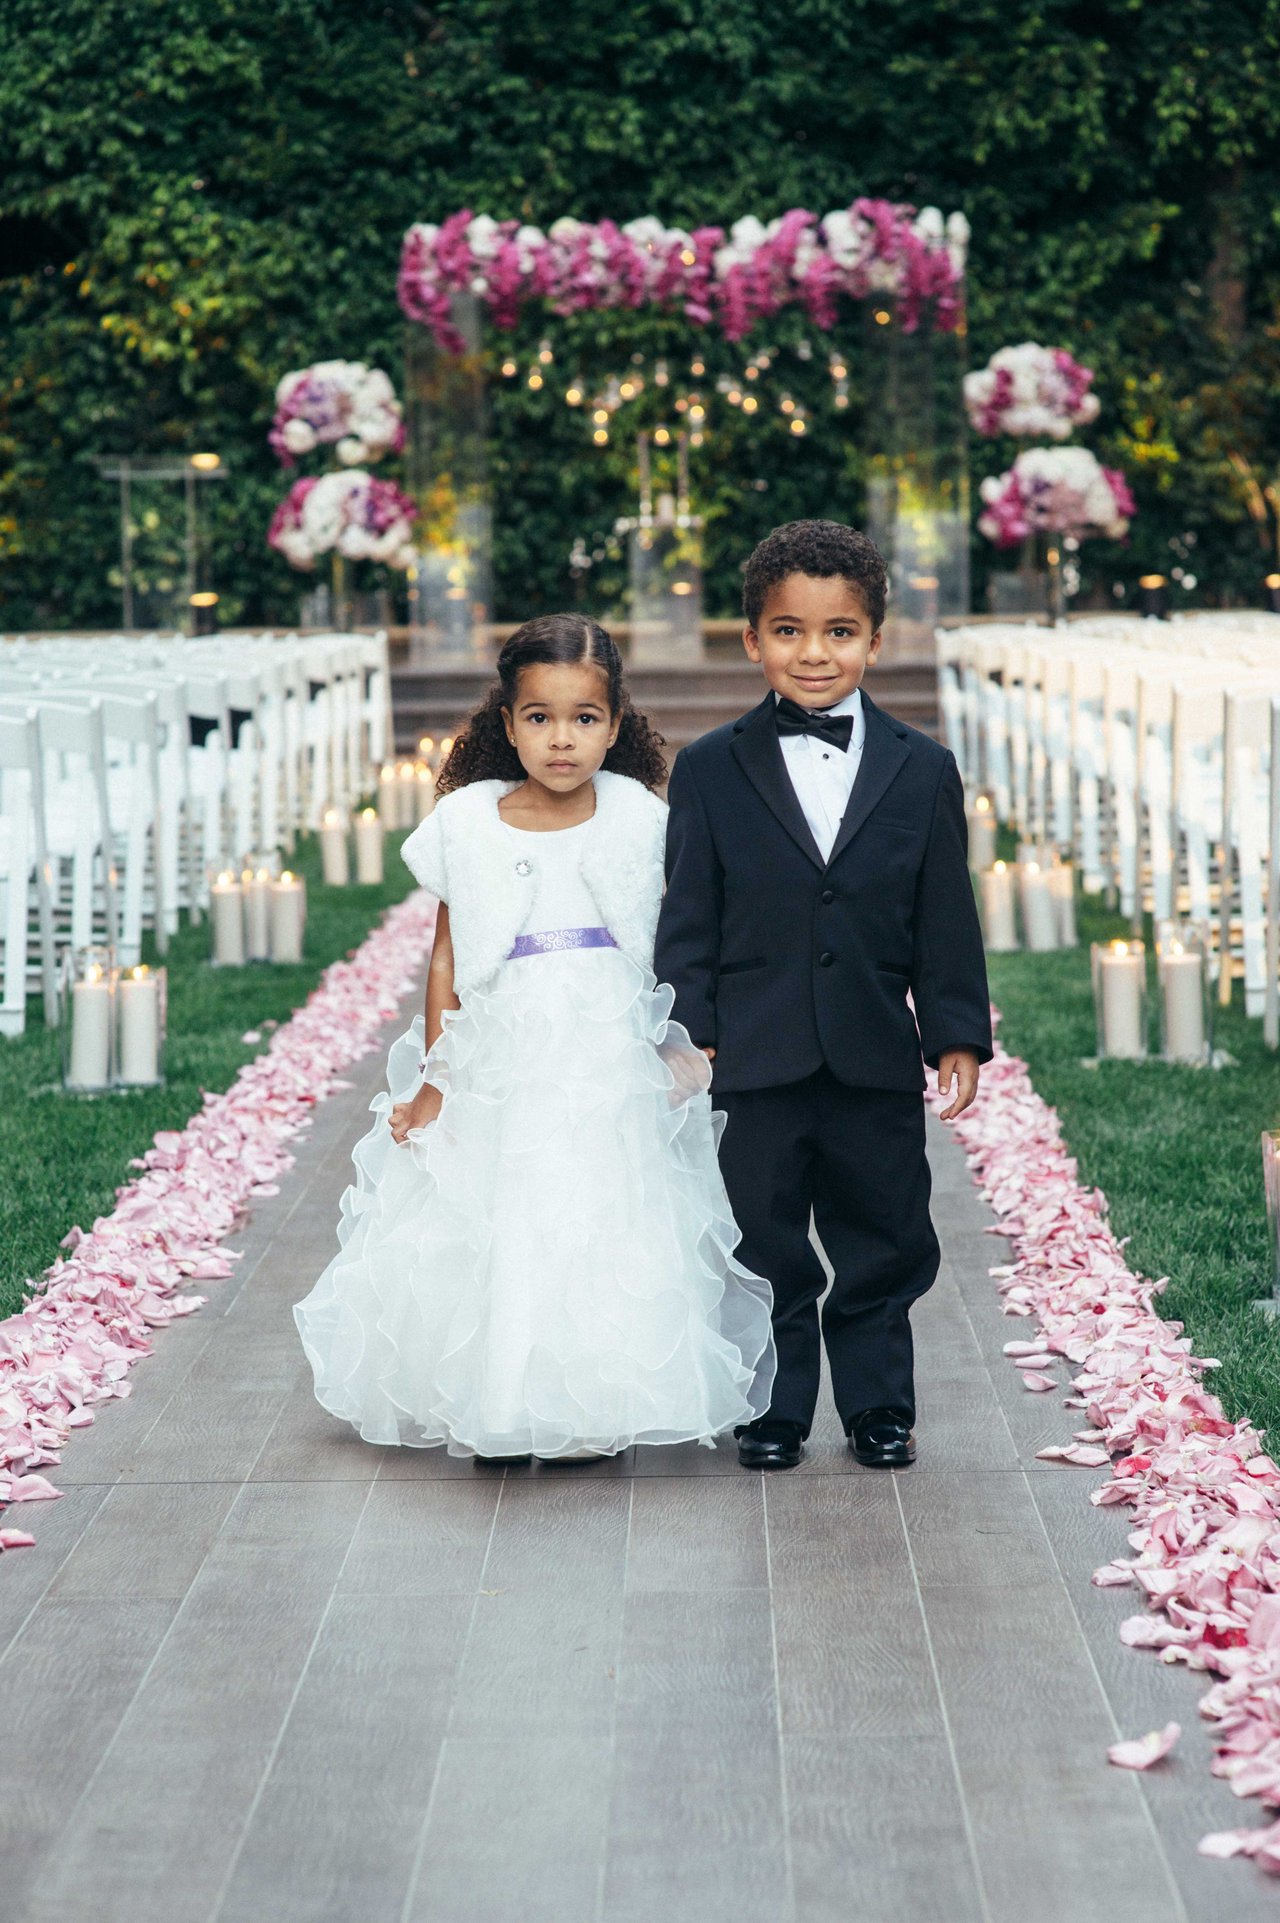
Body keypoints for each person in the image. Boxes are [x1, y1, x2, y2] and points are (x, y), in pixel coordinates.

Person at [294, 614, 775, 1463]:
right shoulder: (468, 822)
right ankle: (505, 1401)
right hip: (503, 1050)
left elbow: (683, 934)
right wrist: (439, 1075)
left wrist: (684, 1039)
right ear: (507, 722)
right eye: (540, 718)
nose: (562, 739)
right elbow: (447, 956)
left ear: (616, 723)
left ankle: (597, 1399)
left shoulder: (639, 817)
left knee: (601, 1210)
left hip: (606, 1050)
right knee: (509, 1210)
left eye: (585, 718)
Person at [655, 520, 992, 1472]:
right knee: (763, 1239)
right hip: (752, 1055)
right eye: (791, 631)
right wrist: (691, 1031)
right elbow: (689, 912)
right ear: (753, 638)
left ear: (876, 640)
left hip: (873, 1048)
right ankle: (775, 1407)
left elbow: (944, 914)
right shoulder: (713, 767)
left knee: (884, 1234)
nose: (815, 652)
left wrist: (955, 1032)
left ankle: (881, 1406)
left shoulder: (921, 767)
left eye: (839, 631)